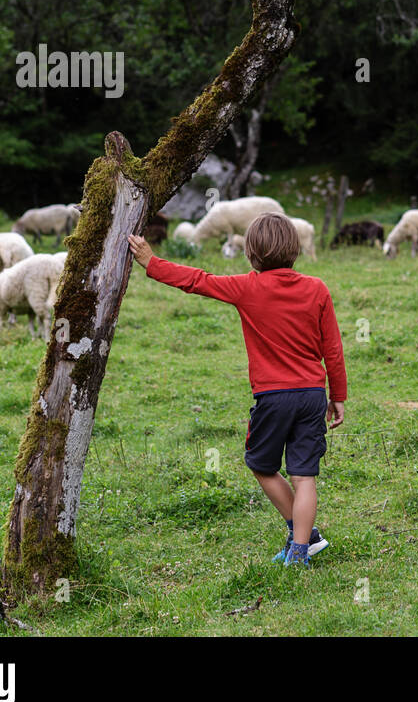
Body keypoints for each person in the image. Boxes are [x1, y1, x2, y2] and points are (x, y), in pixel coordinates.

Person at [127, 212, 346, 567]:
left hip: (273, 397)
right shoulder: (317, 288)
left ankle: (300, 540)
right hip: (311, 394)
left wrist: (151, 262)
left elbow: (197, 280)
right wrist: (337, 395)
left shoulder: (246, 287)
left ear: (252, 253)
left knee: (261, 465)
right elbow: (332, 349)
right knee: (304, 475)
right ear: (295, 248)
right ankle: (303, 548)